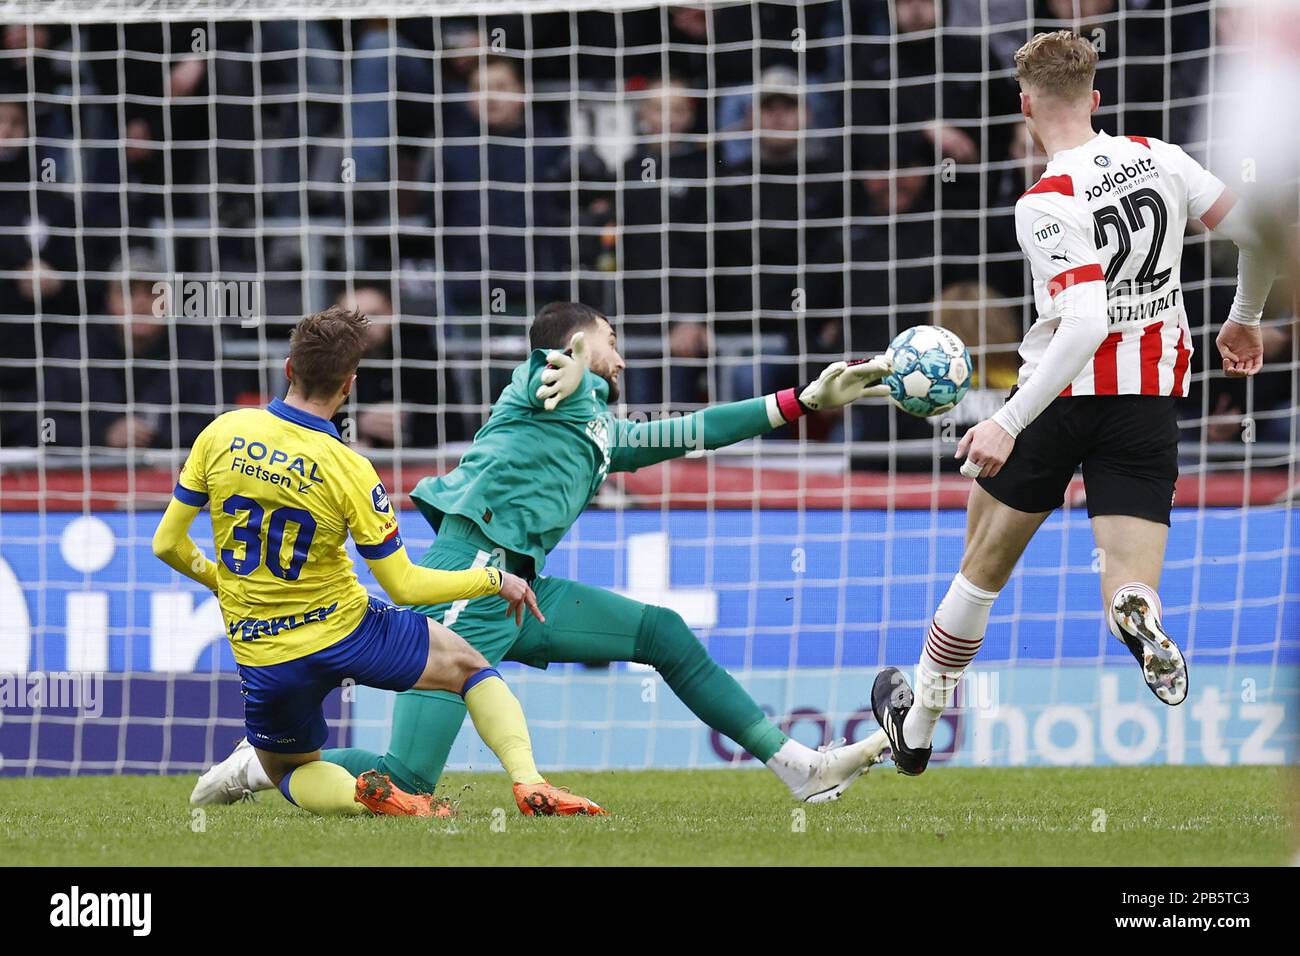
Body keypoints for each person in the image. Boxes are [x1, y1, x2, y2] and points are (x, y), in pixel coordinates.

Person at [193, 302, 893, 809]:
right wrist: (559, 365)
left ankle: (801, 767)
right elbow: (542, 370)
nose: (621, 354)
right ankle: (260, 764)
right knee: (405, 784)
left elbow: (691, 430)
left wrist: (801, 400)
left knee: (662, 633)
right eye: (612, 339)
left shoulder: (601, 433)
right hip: (463, 582)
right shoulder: (541, 391)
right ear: (584, 341)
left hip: (521, 590)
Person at [871, 31, 1274, 774]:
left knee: (980, 569)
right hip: (1148, 397)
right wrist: (1244, 316)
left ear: (1025, 106)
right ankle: (1142, 618)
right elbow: (1262, 236)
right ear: (1095, 99)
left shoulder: (1046, 199)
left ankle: (921, 723)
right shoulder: (1162, 156)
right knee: (1128, 577)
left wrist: (1004, 418)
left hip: (1057, 397)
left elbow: (1084, 320)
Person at [160, 305, 604, 817]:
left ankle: (374, 799)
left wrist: (224, 582)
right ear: (350, 383)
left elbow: (168, 544)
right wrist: (492, 577)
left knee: (289, 770)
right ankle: (528, 782)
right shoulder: (350, 468)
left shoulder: (222, 433)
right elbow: (406, 587)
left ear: (288, 368)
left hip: (265, 651)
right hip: (348, 629)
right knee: (471, 668)